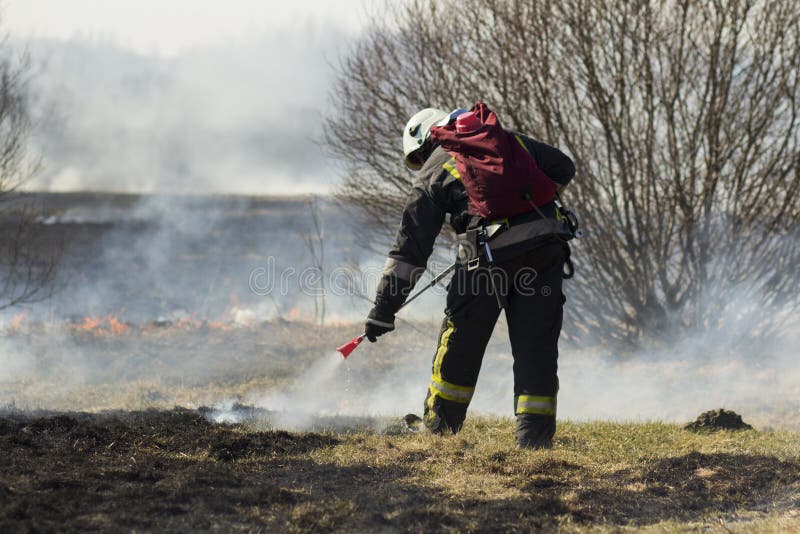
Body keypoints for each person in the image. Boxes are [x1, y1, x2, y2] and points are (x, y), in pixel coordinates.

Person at [364, 106, 575, 448]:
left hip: (485, 261)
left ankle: (440, 428)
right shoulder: (508, 141)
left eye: (419, 157)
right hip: (545, 248)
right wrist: (526, 206)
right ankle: (534, 440)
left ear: (425, 141)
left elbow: (410, 250)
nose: (422, 163)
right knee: (537, 343)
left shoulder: (434, 169)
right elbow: (564, 167)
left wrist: (383, 309)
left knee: (461, 340)